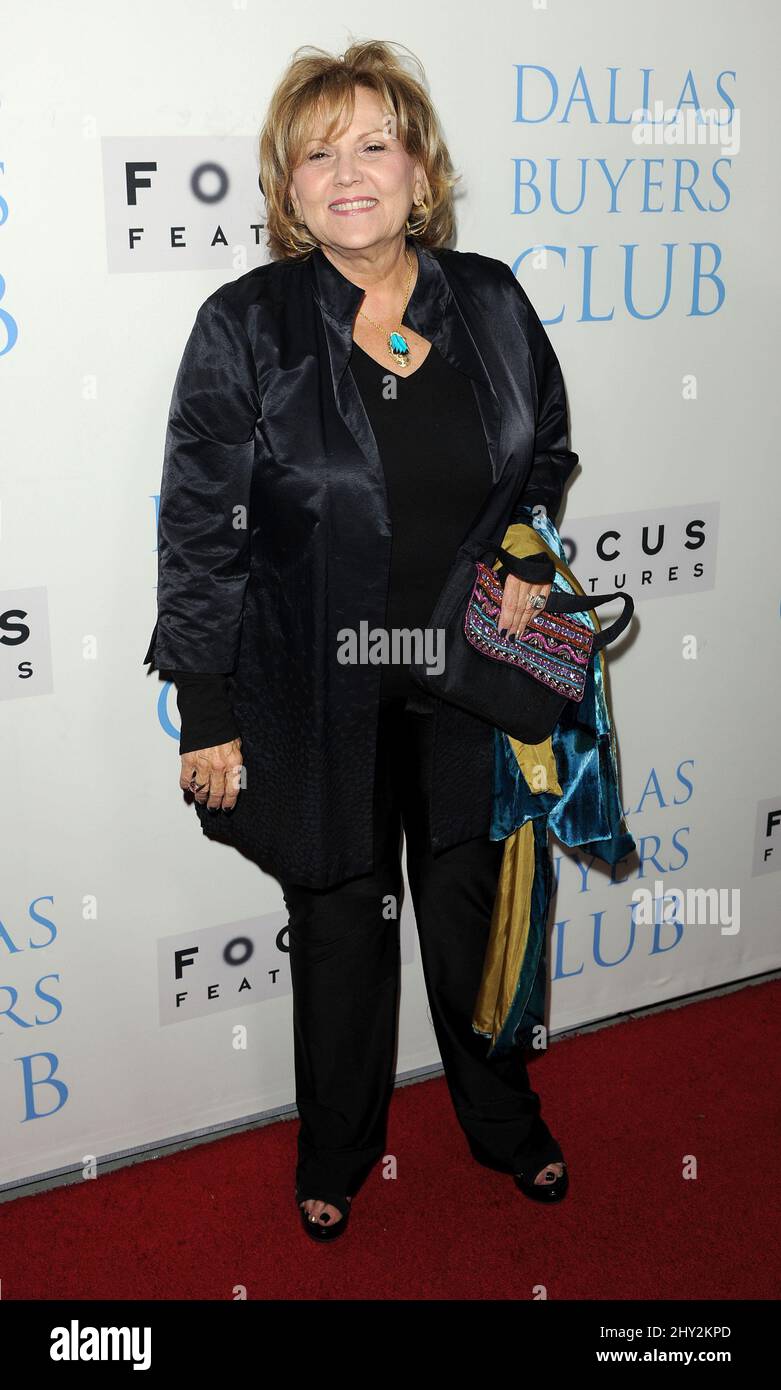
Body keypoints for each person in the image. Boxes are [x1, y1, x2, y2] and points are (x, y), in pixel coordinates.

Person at [144, 39, 580, 1241]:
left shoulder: (487, 299)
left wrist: (527, 561)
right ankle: (337, 1147)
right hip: (312, 695)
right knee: (339, 929)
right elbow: (198, 532)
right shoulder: (244, 328)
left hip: (467, 685)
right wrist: (206, 707)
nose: (348, 172)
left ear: (420, 169)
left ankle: (504, 1120)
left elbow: (544, 453)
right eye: (316, 152)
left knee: (476, 920)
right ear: (287, 190)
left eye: (373, 143)